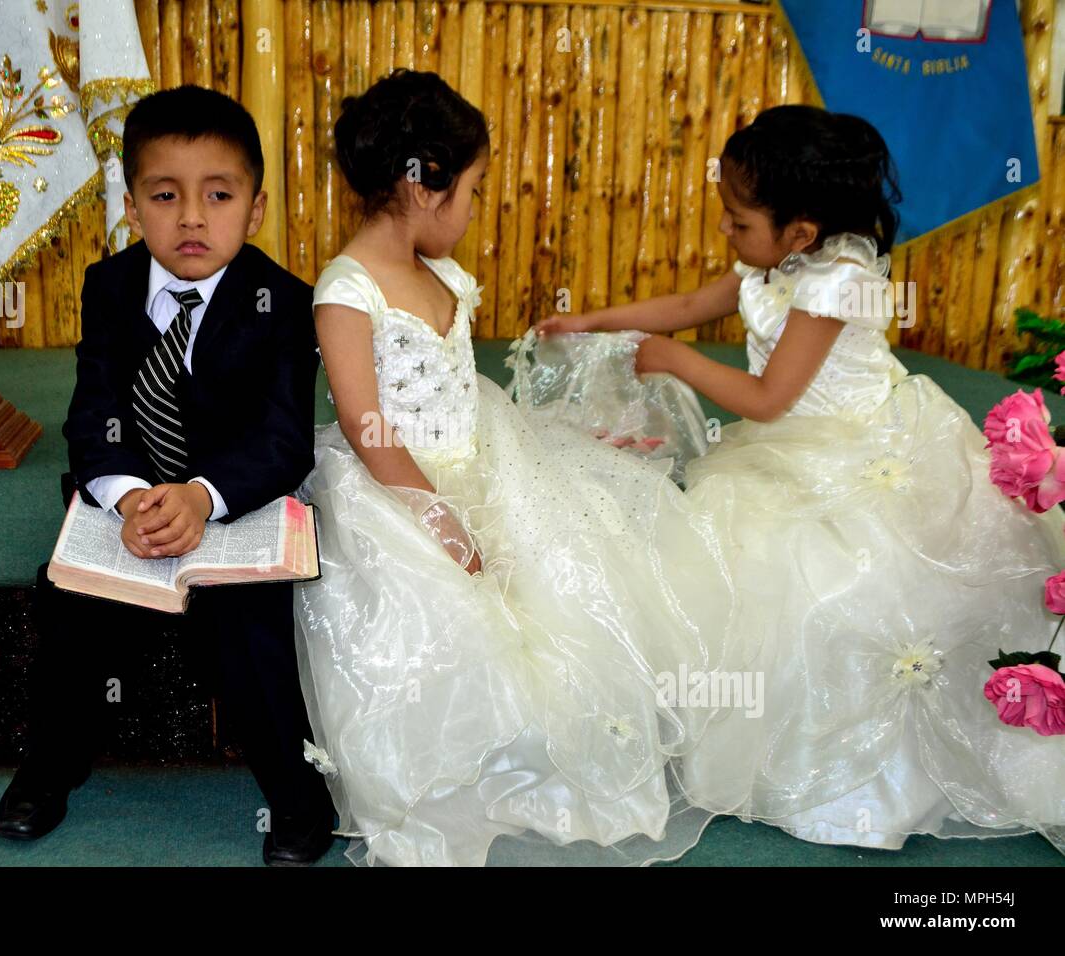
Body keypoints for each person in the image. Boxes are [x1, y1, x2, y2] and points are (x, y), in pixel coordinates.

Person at [541, 104, 1065, 854]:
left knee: (827, 588)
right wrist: (596, 320)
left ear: (803, 233)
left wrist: (674, 358)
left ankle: (852, 777)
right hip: (788, 444)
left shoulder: (839, 280)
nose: (726, 231)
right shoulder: (773, 259)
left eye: (738, 221)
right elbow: (695, 305)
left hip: (851, 445)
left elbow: (767, 398)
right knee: (732, 569)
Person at [293, 69, 739, 867]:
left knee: (570, 567)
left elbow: (460, 387)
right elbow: (368, 427)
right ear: (425, 185)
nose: (475, 206)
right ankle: (459, 777)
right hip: (397, 483)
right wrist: (438, 518)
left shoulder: (444, 275)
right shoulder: (346, 289)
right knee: (456, 605)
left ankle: (556, 760)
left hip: (480, 450)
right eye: (472, 188)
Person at [0, 85, 336, 866]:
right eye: (165, 195)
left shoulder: (283, 303)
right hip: (131, 502)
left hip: (232, 505)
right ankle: (51, 766)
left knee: (252, 625)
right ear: (132, 204)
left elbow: (285, 440)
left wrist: (202, 497)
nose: (191, 217)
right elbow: (93, 416)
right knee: (67, 607)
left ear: (253, 209)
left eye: (218, 195)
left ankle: (294, 795)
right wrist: (128, 497)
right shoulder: (109, 288)